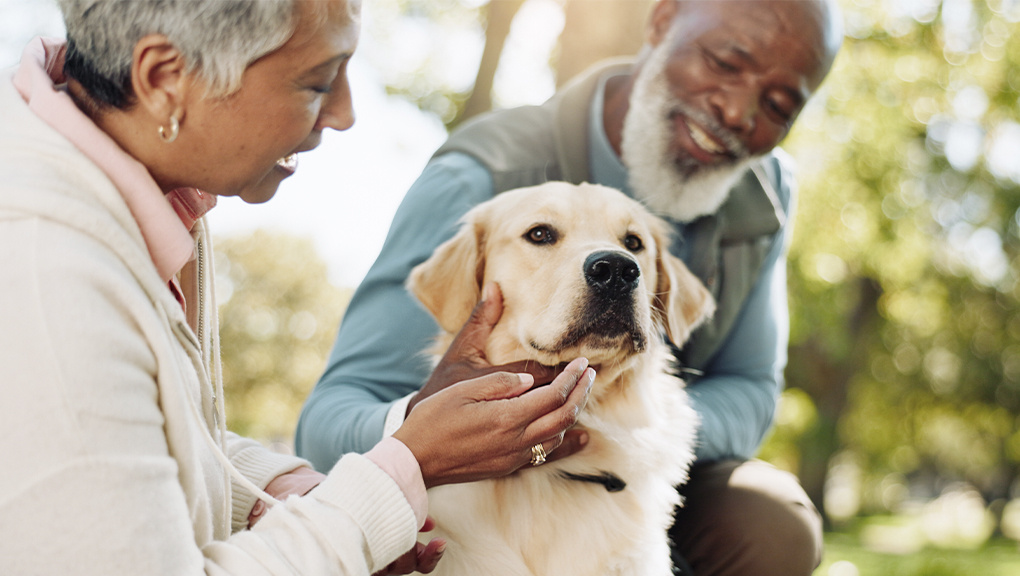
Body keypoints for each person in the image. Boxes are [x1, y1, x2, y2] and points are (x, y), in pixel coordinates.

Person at [0, 1, 596, 574]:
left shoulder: (151, 195)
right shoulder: (48, 281)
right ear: (164, 78)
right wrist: (405, 469)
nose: (344, 112)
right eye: (316, 82)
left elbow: (151, 446)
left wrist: (292, 495)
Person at [296, 0, 843, 574]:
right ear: (660, 21)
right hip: (465, 487)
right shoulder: (480, 175)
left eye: (779, 104)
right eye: (724, 62)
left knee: (773, 522)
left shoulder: (765, 193)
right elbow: (329, 418)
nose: (736, 110)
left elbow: (752, 387)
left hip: (647, 471)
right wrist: (445, 429)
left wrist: (625, 430)